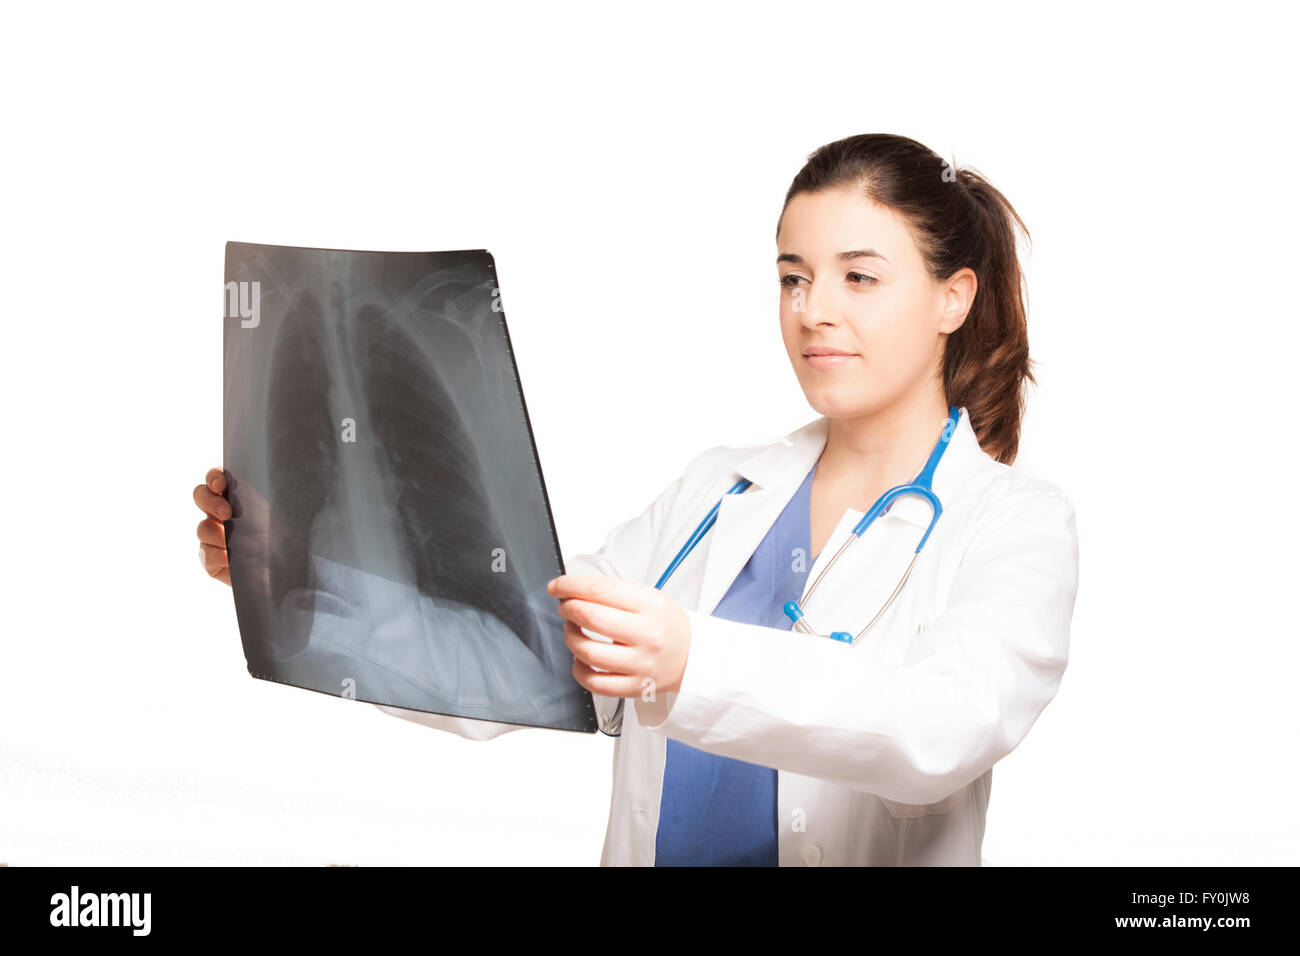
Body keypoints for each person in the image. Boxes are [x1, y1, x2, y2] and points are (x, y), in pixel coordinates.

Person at [195, 132, 1080, 865]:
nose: (813, 311)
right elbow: (528, 661)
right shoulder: (720, 489)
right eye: (792, 277)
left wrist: (690, 661)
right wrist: (295, 578)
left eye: (859, 277)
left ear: (952, 299)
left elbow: (942, 727)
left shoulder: (1011, 521)